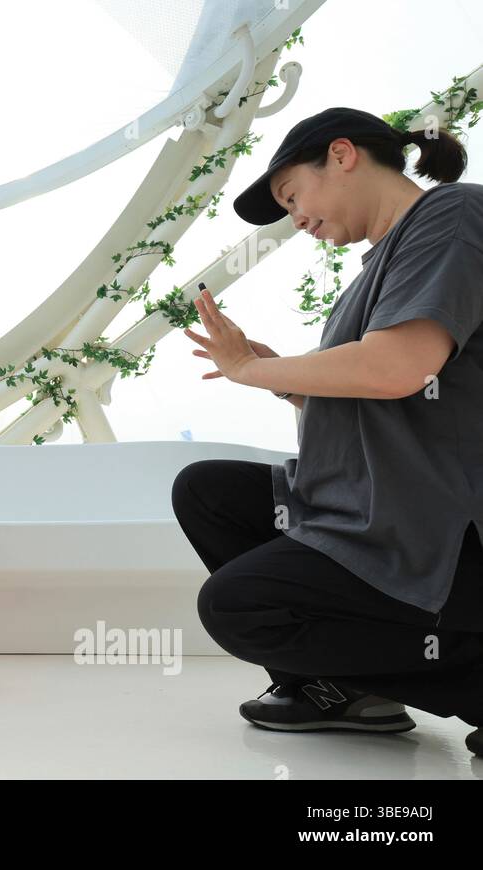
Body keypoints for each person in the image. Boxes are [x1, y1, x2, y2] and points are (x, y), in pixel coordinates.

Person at [172, 107, 483, 758]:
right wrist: (286, 381)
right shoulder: (375, 271)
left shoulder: (451, 214)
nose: (297, 218)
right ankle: (344, 691)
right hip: (380, 512)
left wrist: (253, 369)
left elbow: (397, 368)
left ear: (341, 155)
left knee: (237, 607)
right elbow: (366, 407)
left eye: (293, 195)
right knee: (209, 491)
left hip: (445, 534)